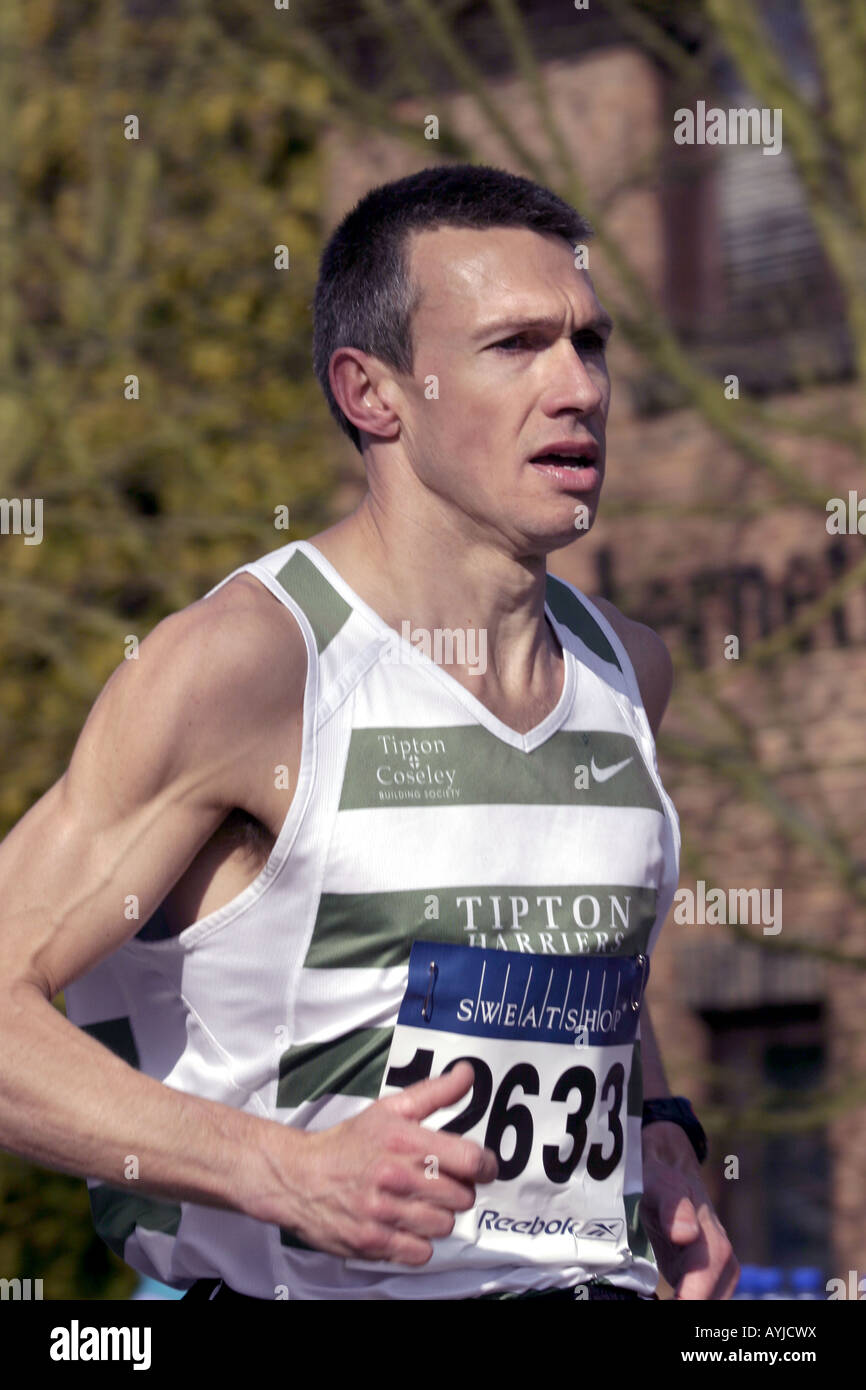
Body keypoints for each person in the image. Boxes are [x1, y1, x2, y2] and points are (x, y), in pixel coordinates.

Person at [0, 163, 738, 1301]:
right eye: (514, 346)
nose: (576, 387)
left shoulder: (625, 668)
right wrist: (285, 1173)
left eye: (588, 343)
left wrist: (662, 1130)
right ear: (373, 393)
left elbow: (566, 958)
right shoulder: (250, 666)